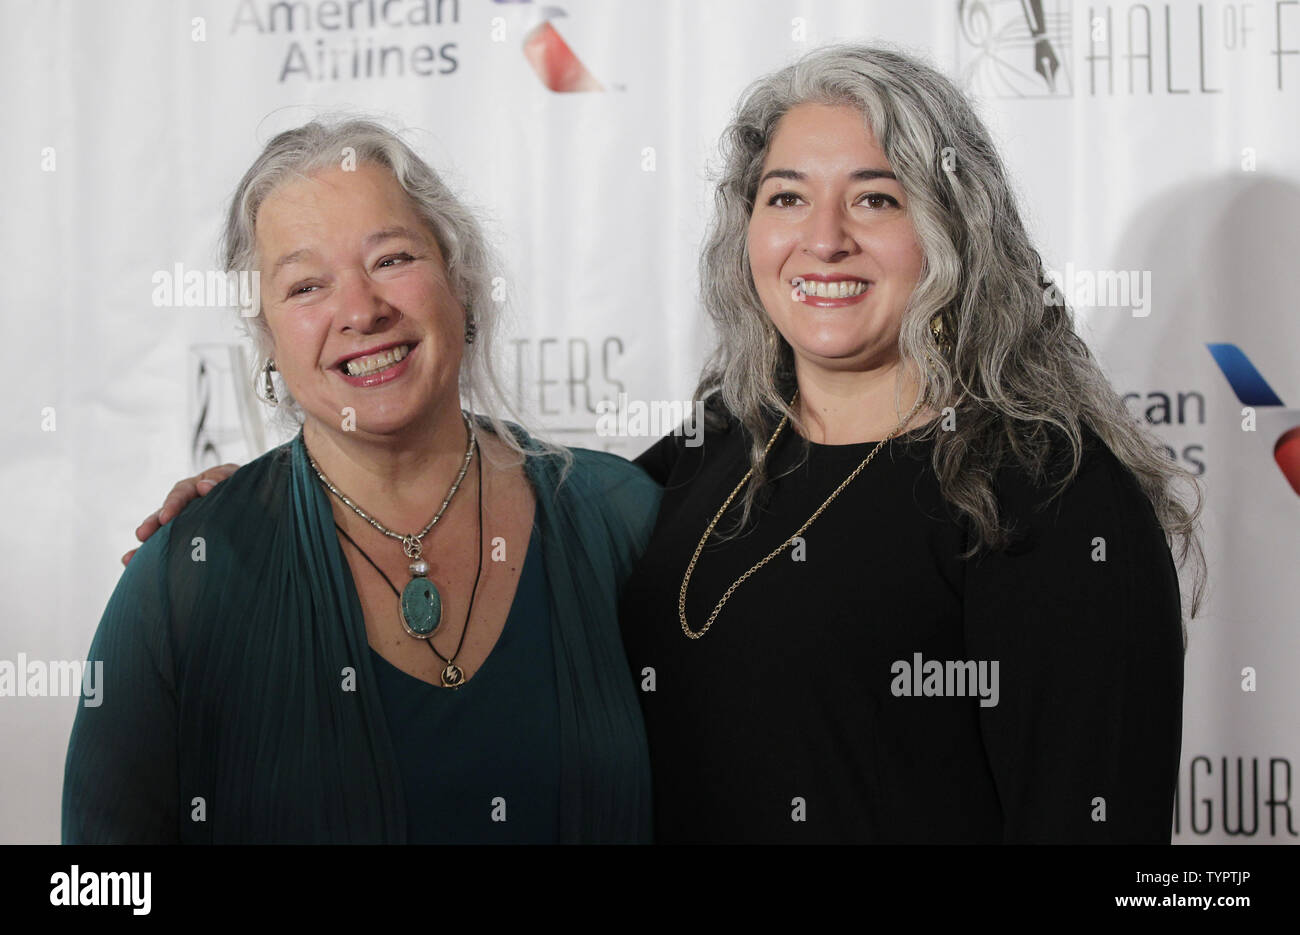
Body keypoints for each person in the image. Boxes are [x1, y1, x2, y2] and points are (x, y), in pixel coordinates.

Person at [127, 44, 1205, 844]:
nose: (821, 238)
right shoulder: (716, 450)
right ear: (748, 231)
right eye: (786, 196)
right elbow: (509, 504)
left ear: (953, 227)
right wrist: (280, 497)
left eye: (875, 198)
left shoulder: (1048, 500)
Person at [64, 118, 657, 844]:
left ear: (459, 282)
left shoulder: (619, 519)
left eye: (392, 258)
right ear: (269, 343)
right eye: (306, 284)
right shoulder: (186, 576)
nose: (360, 310)